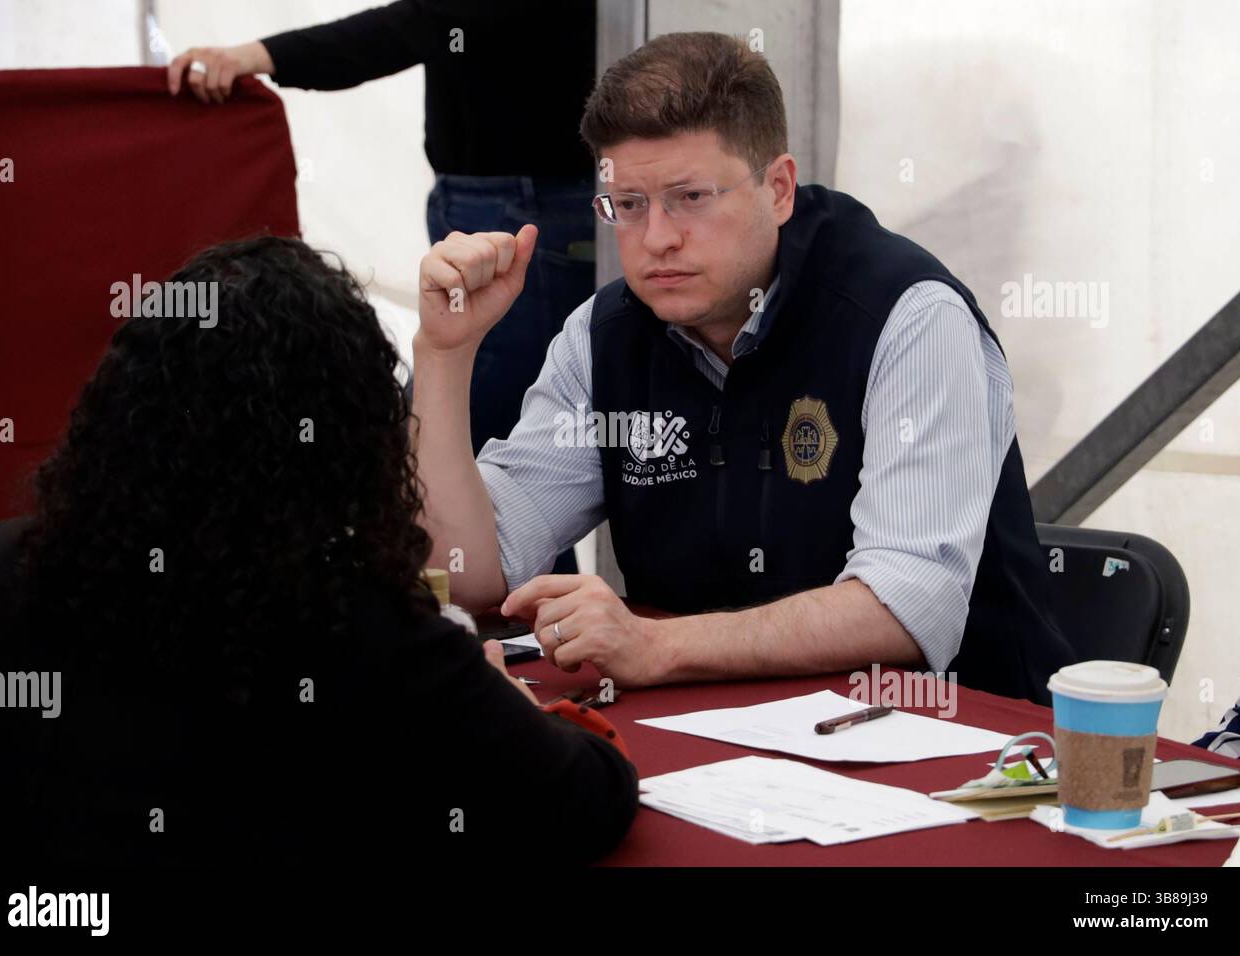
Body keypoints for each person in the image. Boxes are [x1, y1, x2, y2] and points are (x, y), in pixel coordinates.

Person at [411, 32, 1076, 704]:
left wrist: (657, 647)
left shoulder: (904, 316)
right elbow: (466, 574)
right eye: (629, 205)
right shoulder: (603, 335)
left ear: (779, 188)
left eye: (691, 197)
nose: (658, 237)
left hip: (963, 753)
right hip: (719, 744)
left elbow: (906, 604)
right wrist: (443, 354)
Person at [0, 236, 636, 866]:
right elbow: (584, 801)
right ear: (354, 446)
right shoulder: (359, 630)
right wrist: (504, 700)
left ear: (114, 408)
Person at [168, 1, 593, 574]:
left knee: (472, 449)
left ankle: (518, 635)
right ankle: (521, 631)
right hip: (510, 201)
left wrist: (258, 55)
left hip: (524, 206)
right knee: (492, 448)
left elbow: (418, 25)